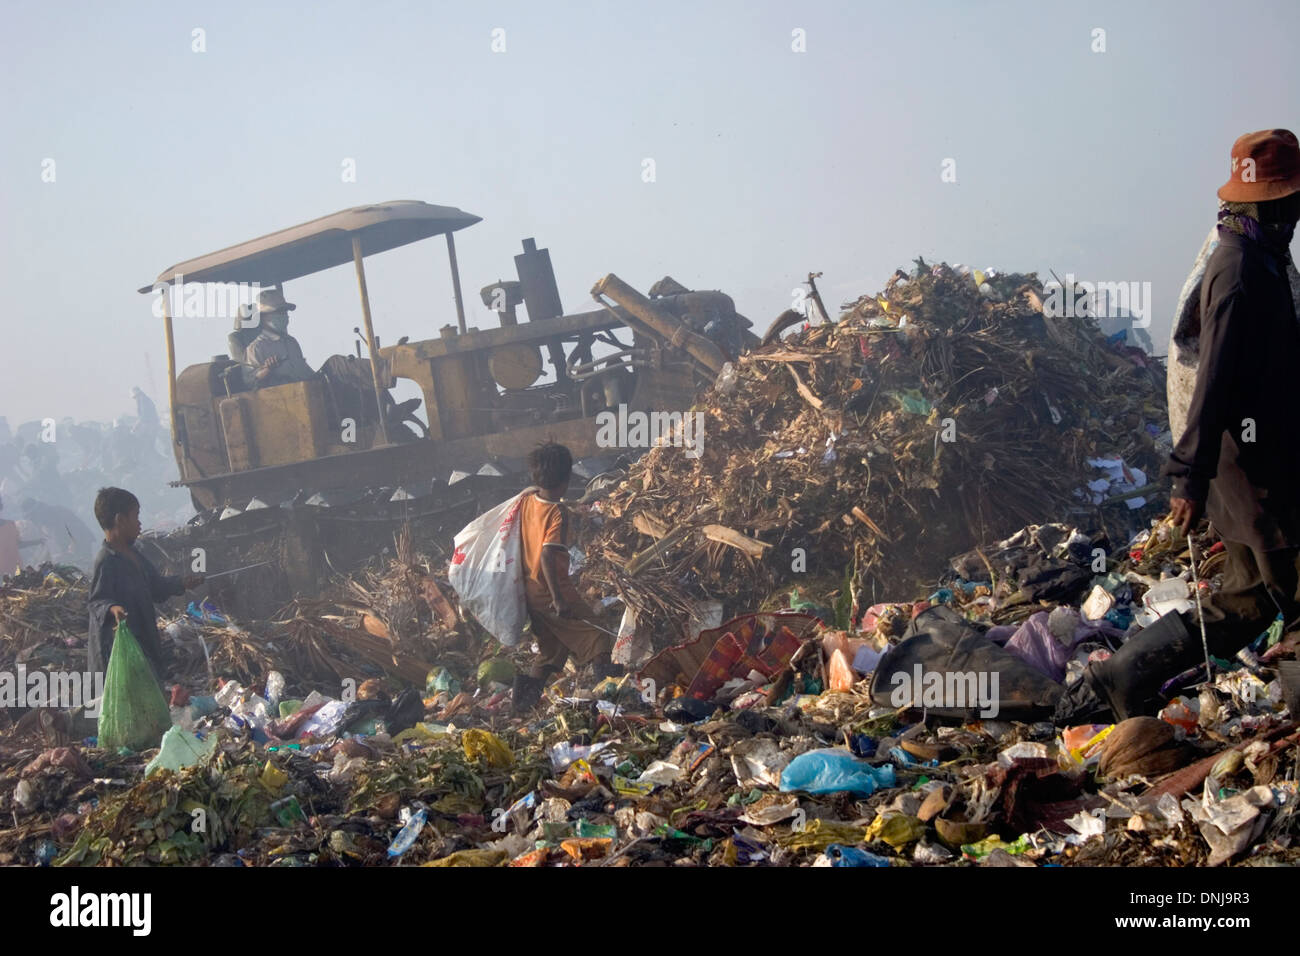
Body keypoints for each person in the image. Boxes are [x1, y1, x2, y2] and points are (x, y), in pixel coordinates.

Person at [1063, 129, 1300, 723]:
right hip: (1254, 474)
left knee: (1245, 602)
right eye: (1289, 202)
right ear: (1268, 205)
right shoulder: (1240, 272)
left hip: (1250, 467)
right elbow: (1213, 379)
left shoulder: (1258, 257)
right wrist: (1188, 476)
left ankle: (1122, 675)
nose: (1296, 215)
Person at [510, 442, 618, 712]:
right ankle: (609, 704)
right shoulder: (557, 513)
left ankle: (520, 707)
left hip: (531, 592)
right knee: (599, 638)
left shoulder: (527, 501)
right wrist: (559, 599)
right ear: (567, 478)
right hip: (552, 593)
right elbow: (547, 555)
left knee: (551, 650)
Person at [86, 487, 204, 682]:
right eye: (136, 516)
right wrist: (113, 608)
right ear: (120, 520)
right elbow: (97, 602)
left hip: (144, 645)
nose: (140, 523)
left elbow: (156, 587)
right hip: (120, 656)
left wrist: (181, 583)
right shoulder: (106, 560)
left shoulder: (135, 555)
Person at [244, 288, 315, 387]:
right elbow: (252, 384)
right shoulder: (256, 348)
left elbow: (305, 372)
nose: (283, 316)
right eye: (278, 312)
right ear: (263, 317)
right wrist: (267, 369)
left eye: (284, 312)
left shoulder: (291, 342)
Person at [0, 493, 20, 578]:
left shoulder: (11, 525)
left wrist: (36, 542)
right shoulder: (10, 525)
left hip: (13, 570)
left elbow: (17, 544)